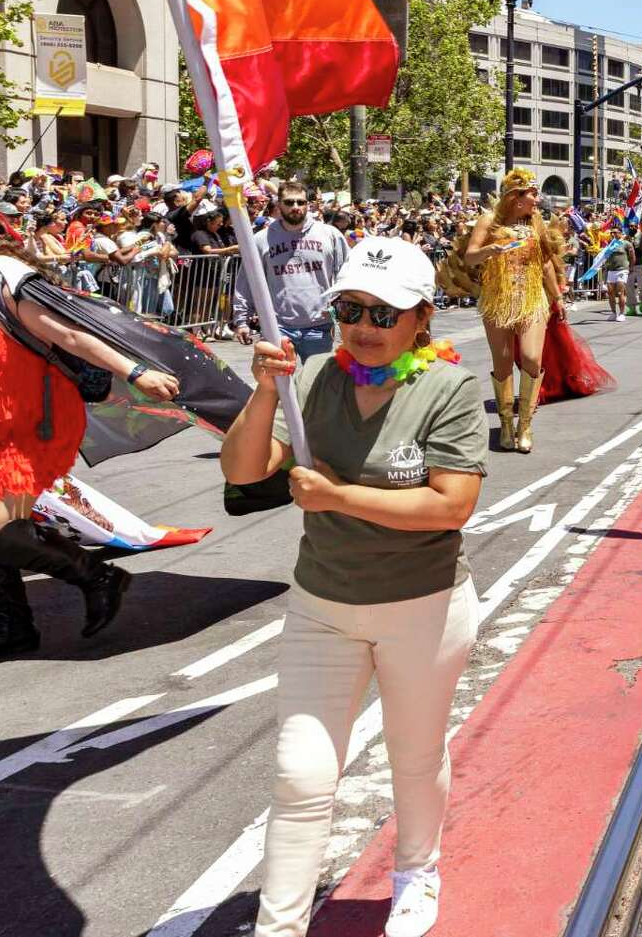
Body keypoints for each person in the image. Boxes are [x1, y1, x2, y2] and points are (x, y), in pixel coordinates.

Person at [221, 237, 484, 937]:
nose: (364, 326)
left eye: (384, 312)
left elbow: (451, 504)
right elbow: (247, 471)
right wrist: (265, 390)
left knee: (415, 753)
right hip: (322, 609)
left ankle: (416, 872)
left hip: (423, 610)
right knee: (300, 775)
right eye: (351, 309)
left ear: (422, 317)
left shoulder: (449, 389)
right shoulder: (313, 378)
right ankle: (279, 926)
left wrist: (337, 496)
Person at [0, 240, 181, 655]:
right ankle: (13, 626)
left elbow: (68, 335)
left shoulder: (7, 275)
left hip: (28, 424)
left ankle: (95, 576)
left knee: (3, 529)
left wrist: (135, 374)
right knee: (8, 532)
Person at [462, 168, 564, 454]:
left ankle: (526, 424)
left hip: (532, 299)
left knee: (531, 358)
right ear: (515, 197)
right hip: (498, 300)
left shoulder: (536, 223)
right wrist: (489, 250)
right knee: (503, 362)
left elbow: (545, 263)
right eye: (532, 193)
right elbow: (470, 257)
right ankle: (506, 425)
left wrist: (557, 297)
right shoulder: (489, 221)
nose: (537, 198)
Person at [234, 183, 350, 361]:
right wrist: (242, 320)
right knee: (276, 385)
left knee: (316, 385)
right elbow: (247, 281)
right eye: (289, 202)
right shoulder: (261, 240)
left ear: (307, 204)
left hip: (319, 326)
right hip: (277, 327)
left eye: (300, 202)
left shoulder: (329, 234)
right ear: (279, 204)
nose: (296, 207)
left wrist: (343, 312)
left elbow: (346, 275)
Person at [600, 228, 635, 322]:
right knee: (611, 293)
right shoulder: (610, 244)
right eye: (611, 232)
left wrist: (631, 267)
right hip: (611, 270)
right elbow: (605, 256)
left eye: (615, 232)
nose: (612, 234)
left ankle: (622, 313)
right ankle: (613, 313)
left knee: (620, 292)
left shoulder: (626, 243)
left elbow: (632, 256)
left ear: (620, 233)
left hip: (622, 270)